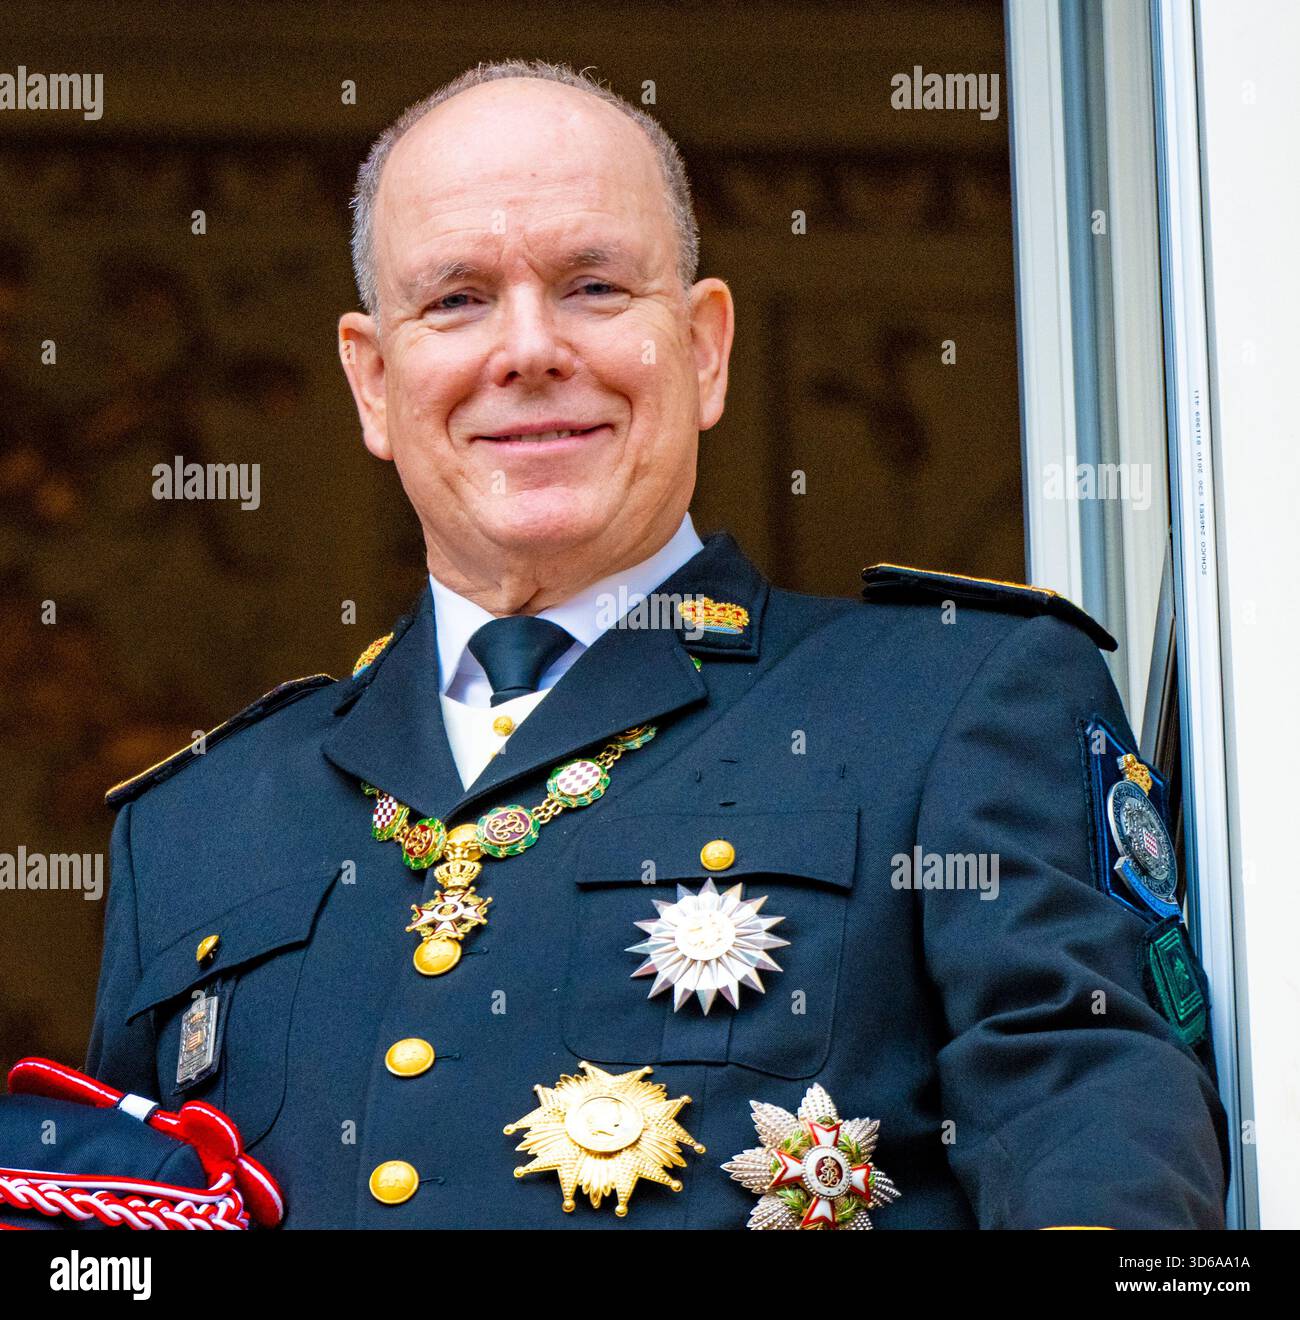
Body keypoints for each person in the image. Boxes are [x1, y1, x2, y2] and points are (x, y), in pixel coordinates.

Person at [2, 59, 1227, 1230]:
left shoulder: (957, 696)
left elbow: (1096, 1137)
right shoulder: (196, 827)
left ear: (702, 348)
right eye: (456, 299)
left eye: (593, 286)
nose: (529, 349)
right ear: (373, 382)